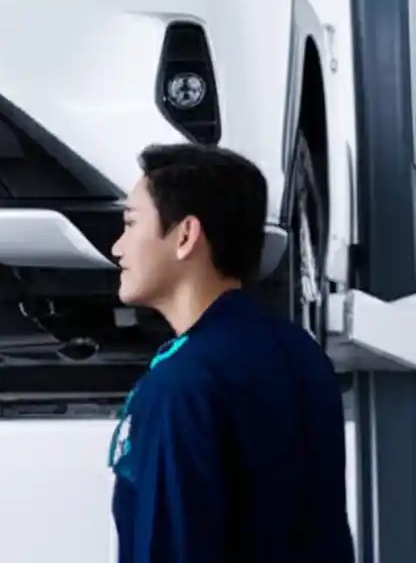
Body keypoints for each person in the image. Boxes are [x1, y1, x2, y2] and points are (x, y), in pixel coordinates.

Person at [108, 143, 354, 562]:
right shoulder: (302, 355)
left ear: (185, 235)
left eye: (131, 224)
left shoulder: (181, 384)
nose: (117, 247)